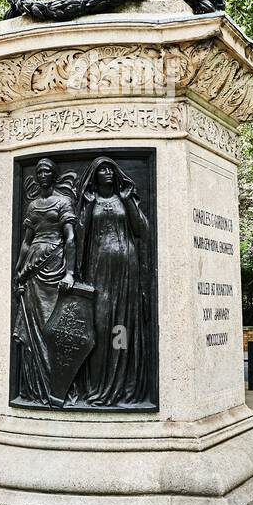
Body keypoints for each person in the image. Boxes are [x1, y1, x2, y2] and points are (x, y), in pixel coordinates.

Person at [75, 156, 150, 406]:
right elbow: (79, 237)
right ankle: (97, 388)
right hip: (98, 272)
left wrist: (128, 200)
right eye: (101, 169)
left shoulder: (123, 199)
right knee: (100, 326)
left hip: (125, 271)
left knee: (121, 327)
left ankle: (122, 385)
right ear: (94, 175)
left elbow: (141, 230)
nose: (106, 172)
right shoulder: (90, 201)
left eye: (110, 168)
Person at [13, 158, 77, 406]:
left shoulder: (63, 202)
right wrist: (20, 269)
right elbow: (27, 241)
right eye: (38, 171)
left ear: (54, 175)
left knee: (55, 326)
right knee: (34, 327)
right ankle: (38, 387)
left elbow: (70, 238)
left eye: (47, 171)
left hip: (55, 264)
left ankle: (61, 385)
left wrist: (70, 272)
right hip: (33, 268)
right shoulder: (32, 206)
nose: (42, 175)